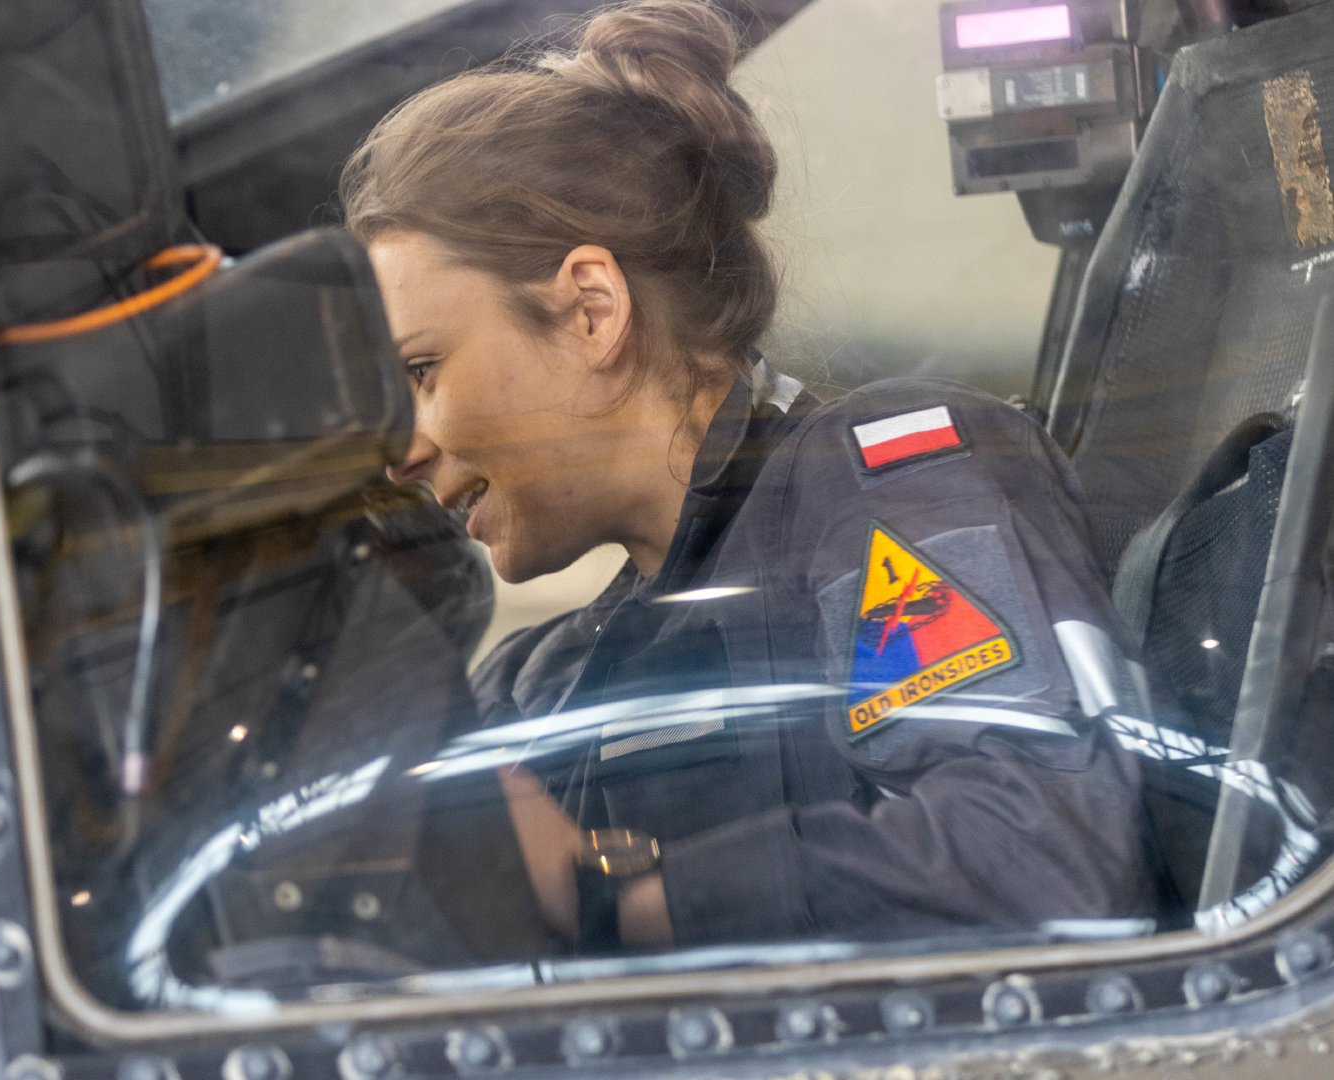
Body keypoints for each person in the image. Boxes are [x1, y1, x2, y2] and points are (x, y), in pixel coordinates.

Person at [341, 0, 1156, 952]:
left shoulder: (892, 480)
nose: (398, 451)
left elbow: (1040, 856)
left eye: (421, 372)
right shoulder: (538, 685)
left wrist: (610, 894)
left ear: (592, 311)